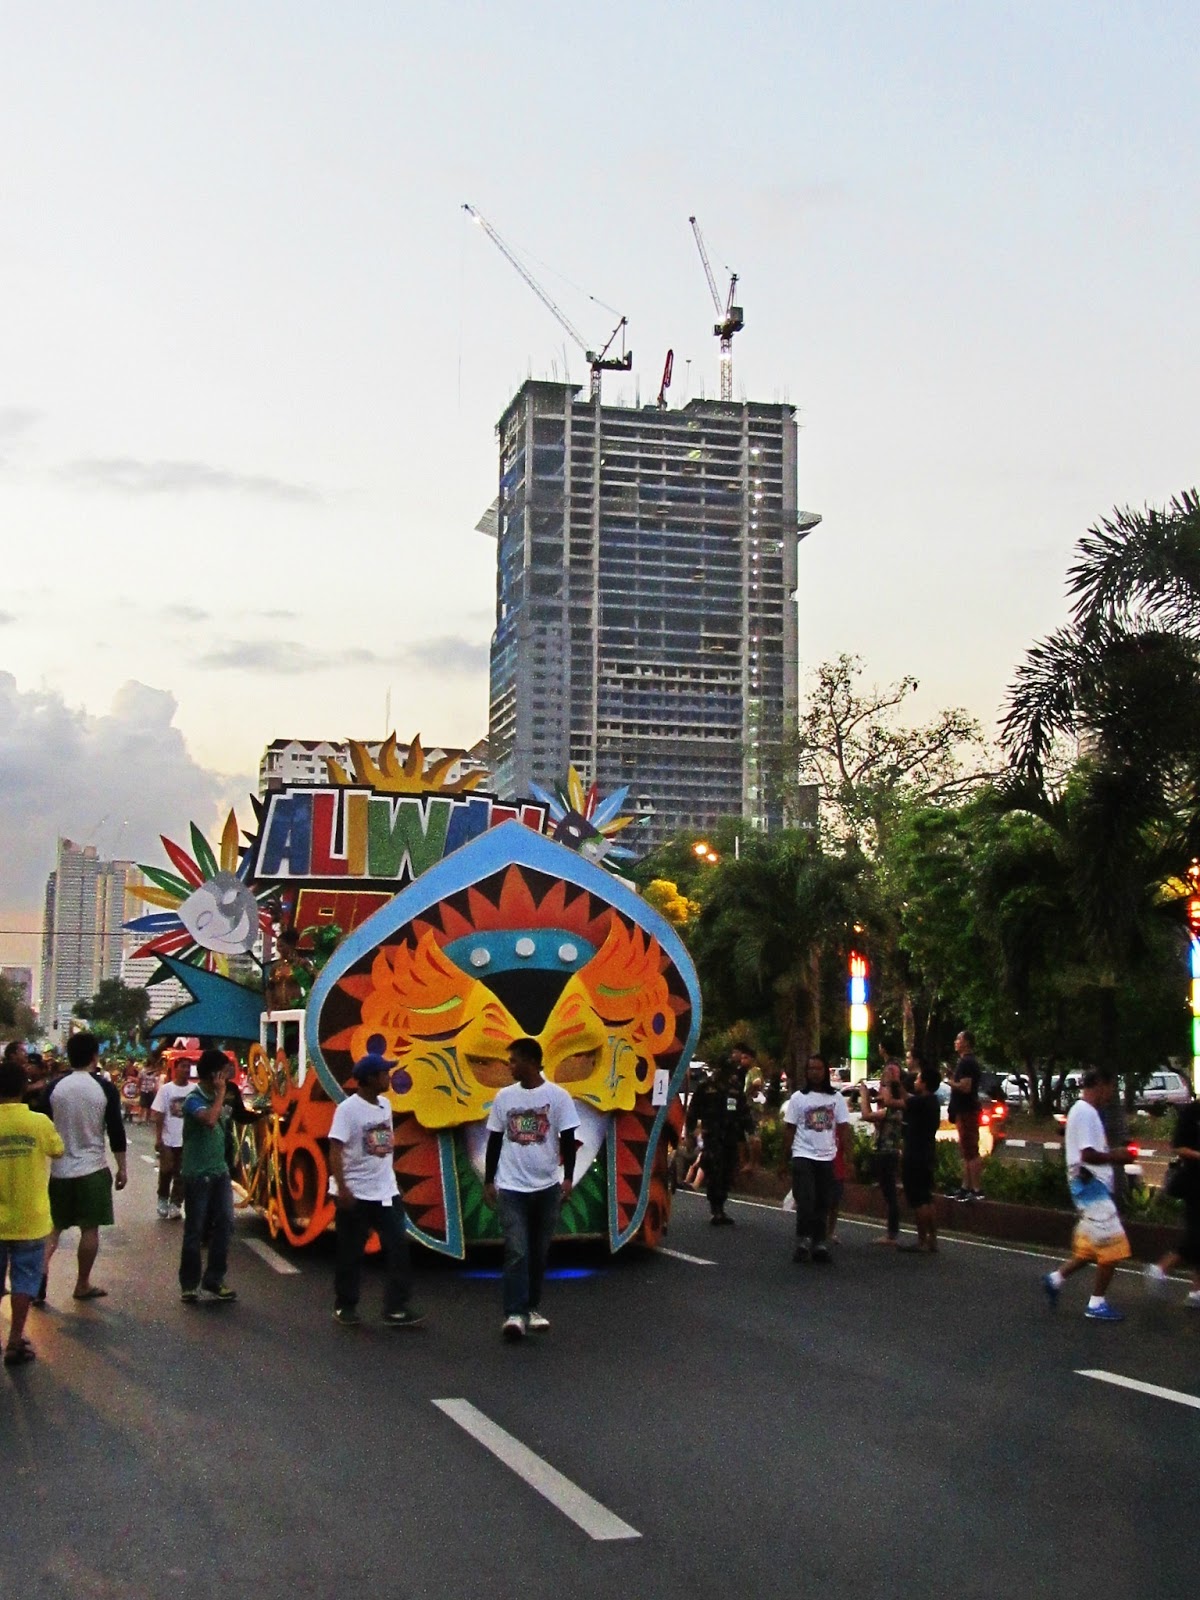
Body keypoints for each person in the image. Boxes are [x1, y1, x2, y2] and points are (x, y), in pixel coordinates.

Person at [484, 1036, 579, 1341]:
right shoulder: (504, 1098)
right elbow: (495, 1139)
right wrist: (489, 1180)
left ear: (530, 1062)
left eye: (513, 1060)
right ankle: (514, 1313)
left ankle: (531, 1307)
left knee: (538, 1252)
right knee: (517, 1250)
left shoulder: (558, 1097)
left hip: (547, 1187)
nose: (509, 1066)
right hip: (512, 1187)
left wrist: (568, 1178)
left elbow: (568, 1140)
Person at [328, 1052, 424, 1329]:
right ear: (370, 1078)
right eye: (384, 1073)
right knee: (350, 1252)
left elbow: (384, 1148)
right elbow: (335, 1149)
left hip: (385, 1193)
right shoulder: (348, 1110)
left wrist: (392, 1181)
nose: (388, 1078)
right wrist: (343, 1188)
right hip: (356, 1194)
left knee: (398, 1248)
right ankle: (345, 1305)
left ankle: (396, 1307)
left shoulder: (385, 1105)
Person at [42, 1031, 128, 1303]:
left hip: (59, 1171)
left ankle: (37, 1279)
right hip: (93, 1169)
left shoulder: (54, 1088)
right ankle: (82, 1284)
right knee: (90, 1230)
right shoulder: (104, 1088)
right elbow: (116, 1130)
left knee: (53, 1229)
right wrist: (122, 1168)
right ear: (95, 1056)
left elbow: (42, 1126)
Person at [1043, 1069, 1135, 1321]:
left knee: (1092, 1247)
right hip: (1090, 1187)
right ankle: (1096, 1303)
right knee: (1113, 1245)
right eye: (1111, 1087)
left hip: (1089, 1186)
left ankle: (1055, 1278)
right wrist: (1117, 1156)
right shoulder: (1085, 1112)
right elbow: (1088, 1154)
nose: (1112, 1094)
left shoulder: (1083, 1111)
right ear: (1100, 1084)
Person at [0, 1057, 64, 1365]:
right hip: (31, 1218)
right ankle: (15, 1341)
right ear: (24, 1088)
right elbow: (58, 1149)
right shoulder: (39, 1123)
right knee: (25, 1282)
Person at [178, 1049, 239, 1304]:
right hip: (197, 1174)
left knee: (225, 1223)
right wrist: (221, 1094)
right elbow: (210, 1120)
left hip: (219, 1171)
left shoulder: (219, 1097)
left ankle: (214, 1279)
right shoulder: (193, 1099)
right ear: (214, 1074)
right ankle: (189, 1283)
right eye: (224, 1072)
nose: (227, 1076)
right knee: (195, 1228)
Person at [780, 1053, 850, 1264]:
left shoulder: (836, 1099)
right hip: (803, 1155)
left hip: (826, 1157)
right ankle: (803, 1240)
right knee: (806, 1199)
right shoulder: (798, 1098)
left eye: (818, 1069)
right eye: (810, 1069)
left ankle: (819, 1242)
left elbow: (844, 1129)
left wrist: (848, 1157)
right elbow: (790, 1129)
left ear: (825, 1072)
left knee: (823, 1201)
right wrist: (783, 1160)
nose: (814, 1073)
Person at [1145, 1086, 1200, 1307]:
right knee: (1196, 1236)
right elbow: (1178, 1147)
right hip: (1194, 1183)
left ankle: (1196, 1291)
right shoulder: (1192, 1113)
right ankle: (1161, 1268)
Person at [685, 1055, 754, 1225]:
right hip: (712, 1136)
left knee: (727, 1172)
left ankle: (721, 1207)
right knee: (714, 1171)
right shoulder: (706, 1087)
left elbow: (743, 1111)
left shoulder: (735, 1088)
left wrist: (750, 1129)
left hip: (731, 1136)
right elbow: (693, 1110)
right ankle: (715, 1208)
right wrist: (691, 1131)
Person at [859, 1059, 905, 1244]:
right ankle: (891, 1232)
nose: (881, 1090)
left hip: (888, 1153)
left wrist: (864, 1095)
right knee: (888, 1193)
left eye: (884, 1086)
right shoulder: (892, 1108)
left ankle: (892, 1234)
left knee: (890, 1194)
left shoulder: (893, 1110)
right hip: (885, 1151)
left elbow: (866, 1115)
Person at [899, 1055, 941, 1253]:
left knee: (918, 1200)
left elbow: (905, 1099)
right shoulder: (933, 1102)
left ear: (924, 1084)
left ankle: (922, 1240)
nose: (915, 1081)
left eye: (918, 1079)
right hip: (927, 1153)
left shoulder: (922, 1101)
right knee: (927, 1197)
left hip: (915, 1155)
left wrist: (896, 1082)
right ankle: (932, 1239)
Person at [150, 1056, 192, 1219]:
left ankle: (176, 1203)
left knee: (182, 1173)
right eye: (183, 1066)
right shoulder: (166, 1089)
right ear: (176, 1069)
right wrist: (158, 1138)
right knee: (166, 1170)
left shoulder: (194, 1090)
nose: (186, 1070)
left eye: (188, 1067)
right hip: (168, 1139)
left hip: (187, 1140)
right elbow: (159, 1114)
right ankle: (162, 1198)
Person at [947, 1029, 983, 1200]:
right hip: (963, 1111)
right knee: (966, 1151)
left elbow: (966, 1087)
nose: (955, 1042)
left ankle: (976, 1189)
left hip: (967, 1110)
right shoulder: (965, 1062)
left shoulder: (967, 1063)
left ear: (966, 1043)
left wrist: (950, 1082)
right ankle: (965, 1187)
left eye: (958, 1039)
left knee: (971, 1151)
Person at [137, 1060, 160, 1125]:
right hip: (143, 1089)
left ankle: (147, 1120)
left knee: (149, 1106)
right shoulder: (142, 1071)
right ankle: (140, 1119)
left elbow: (155, 1081)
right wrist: (138, 1088)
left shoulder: (154, 1073)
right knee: (142, 1105)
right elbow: (139, 1080)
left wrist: (155, 1088)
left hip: (150, 1090)